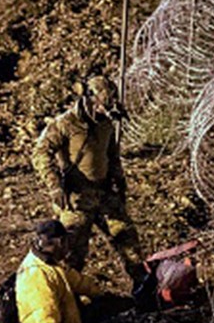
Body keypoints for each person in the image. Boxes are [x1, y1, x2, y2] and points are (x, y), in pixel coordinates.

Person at [31, 75, 144, 282]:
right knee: (70, 254)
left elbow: (112, 155)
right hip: (77, 198)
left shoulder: (106, 124)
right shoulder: (65, 124)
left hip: (104, 193)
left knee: (128, 243)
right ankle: (67, 298)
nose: (104, 111)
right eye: (101, 106)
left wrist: (119, 182)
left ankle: (143, 287)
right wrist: (54, 186)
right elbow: (40, 152)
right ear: (89, 100)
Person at [14, 219, 105, 323]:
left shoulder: (49, 264)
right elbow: (45, 312)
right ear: (57, 242)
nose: (67, 247)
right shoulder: (37, 274)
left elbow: (76, 281)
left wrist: (99, 292)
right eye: (64, 241)